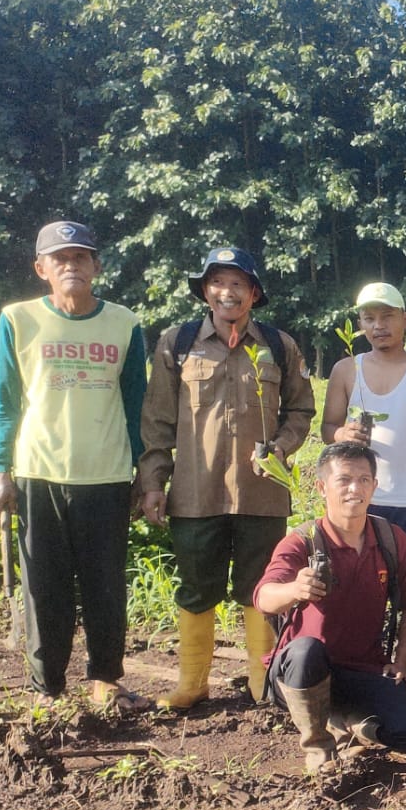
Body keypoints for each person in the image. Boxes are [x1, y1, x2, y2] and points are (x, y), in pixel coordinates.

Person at [140, 246, 317, 709]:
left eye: (238, 284)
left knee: (261, 586)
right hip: (195, 497)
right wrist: (153, 482)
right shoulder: (176, 344)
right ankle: (192, 683)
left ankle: (263, 684)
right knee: (197, 587)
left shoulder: (279, 345)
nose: (227, 292)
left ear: (254, 294)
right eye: (217, 282)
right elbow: (157, 422)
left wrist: (280, 447)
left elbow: (301, 409)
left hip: (262, 494)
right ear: (205, 291)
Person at [0, 221, 150, 712]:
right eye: (60, 259)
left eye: (81, 257)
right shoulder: (18, 320)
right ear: (41, 269)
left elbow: (135, 404)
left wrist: (144, 474)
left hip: (105, 476)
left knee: (106, 586)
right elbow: (5, 402)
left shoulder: (124, 323)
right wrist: (1, 473)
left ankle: (106, 680)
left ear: (96, 266)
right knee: (44, 588)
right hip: (39, 474)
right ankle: (48, 689)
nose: (71, 266)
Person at [254, 442, 406, 773]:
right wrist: (295, 589)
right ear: (322, 488)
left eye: (365, 480)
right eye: (344, 480)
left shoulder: (391, 540)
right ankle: (318, 746)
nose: (356, 488)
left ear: (375, 486)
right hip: (299, 673)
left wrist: (402, 662)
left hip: (361, 670)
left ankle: (348, 724)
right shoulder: (303, 540)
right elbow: (263, 597)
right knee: (307, 650)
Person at [321, 282, 406, 697]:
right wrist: (342, 431)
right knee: (361, 590)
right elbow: (328, 430)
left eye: (387, 317)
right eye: (369, 318)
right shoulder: (346, 370)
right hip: (360, 503)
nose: (378, 326)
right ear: (360, 323)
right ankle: (361, 675)